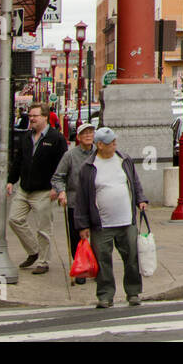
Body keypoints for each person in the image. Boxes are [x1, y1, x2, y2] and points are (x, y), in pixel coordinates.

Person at [73, 128, 148, 308]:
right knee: (103, 261)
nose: (115, 145)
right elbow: (81, 198)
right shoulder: (89, 167)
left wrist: (141, 199)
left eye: (115, 142)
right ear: (100, 145)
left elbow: (134, 182)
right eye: (111, 143)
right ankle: (105, 295)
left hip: (126, 220)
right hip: (101, 224)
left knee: (131, 257)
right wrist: (82, 225)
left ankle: (133, 292)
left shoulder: (124, 160)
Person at [6, 104, 67, 275]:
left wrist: (58, 188)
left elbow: (63, 166)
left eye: (35, 116)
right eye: (30, 115)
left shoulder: (56, 138)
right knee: (14, 219)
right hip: (24, 189)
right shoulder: (27, 137)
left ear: (45, 117)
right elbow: (19, 160)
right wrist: (11, 180)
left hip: (44, 191)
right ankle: (33, 251)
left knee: (43, 228)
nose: (31, 119)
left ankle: (43, 261)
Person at [52, 122, 97, 284]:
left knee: (98, 236)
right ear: (78, 137)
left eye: (91, 132)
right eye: (84, 133)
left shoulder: (99, 154)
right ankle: (81, 268)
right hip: (75, 202)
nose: (88, 136)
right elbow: (58, 177)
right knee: (76, 237)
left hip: (96, 202)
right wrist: (61, 191)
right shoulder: (70, 156)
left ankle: (97, 267)